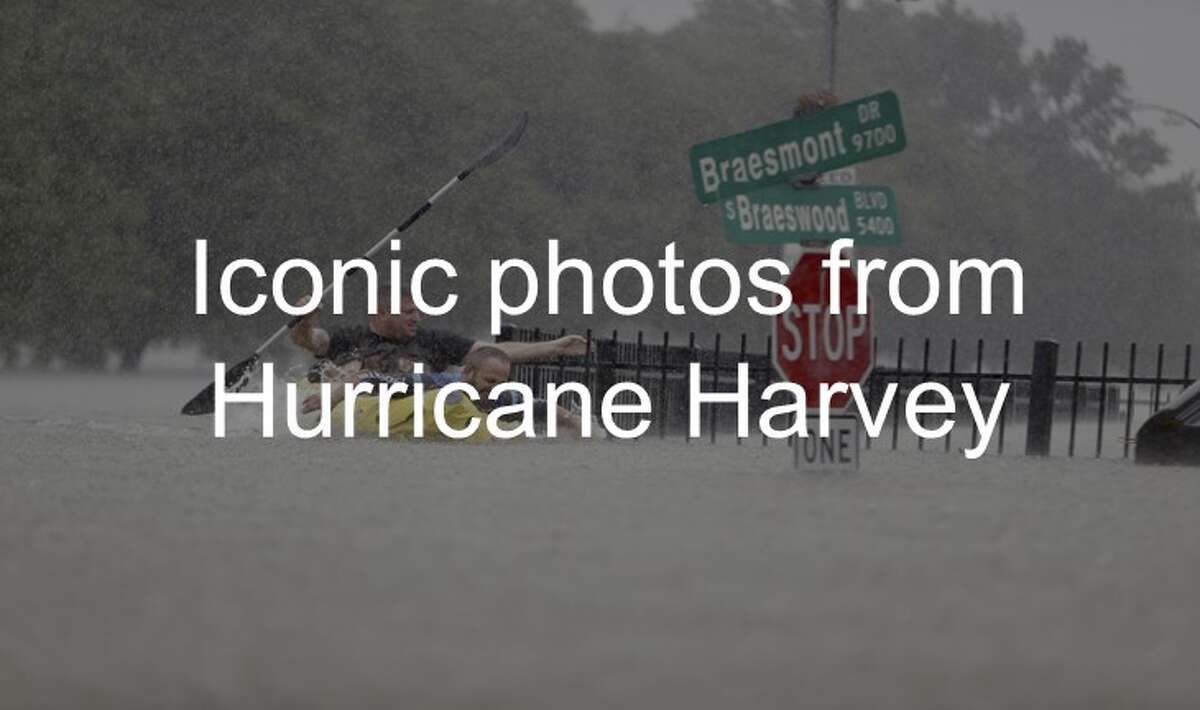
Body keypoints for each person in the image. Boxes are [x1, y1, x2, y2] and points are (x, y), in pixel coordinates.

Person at [290, 283, 587, 378]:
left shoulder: (433, 341)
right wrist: (305, 319)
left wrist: (555, 347)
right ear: (381, 313)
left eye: (417, 311)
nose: (417, 318)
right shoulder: (348, 338)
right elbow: (308, 340)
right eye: (408, 312)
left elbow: (492, 352)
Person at [308, 346, 583, 440]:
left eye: (501, 382)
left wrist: (581, 430)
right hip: (374, 407)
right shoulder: (435, 383)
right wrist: (327, 402)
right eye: (489, 380)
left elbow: (545, 408)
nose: (494, 388)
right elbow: (367, 380)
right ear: (467, 373)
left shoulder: (501, 396)